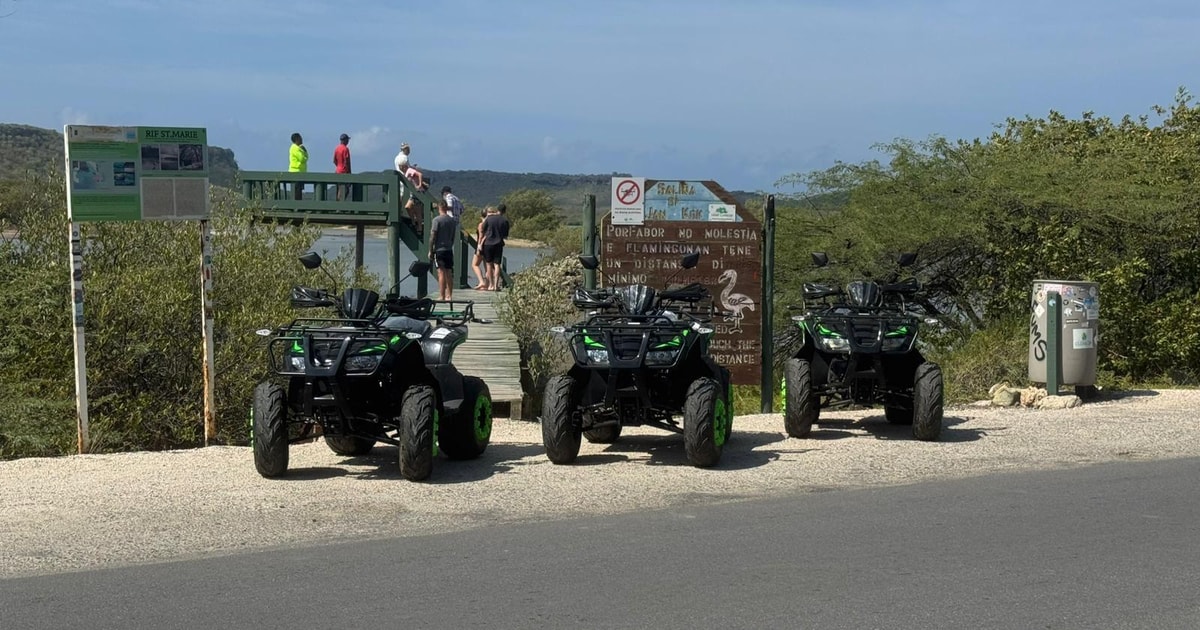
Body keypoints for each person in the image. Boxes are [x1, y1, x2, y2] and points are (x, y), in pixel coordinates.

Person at [428, 201, 457, 301]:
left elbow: (433, 236)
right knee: (449, 272)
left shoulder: (436, 220)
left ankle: (442, 295)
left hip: (439, 249)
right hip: (448, 249)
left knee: (440, 273)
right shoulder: (452, 221)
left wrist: (430, 250)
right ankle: (450, 295)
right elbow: (453, 236)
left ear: (439, 208)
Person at [481, 203, 509, 292]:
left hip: (488, 243)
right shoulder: (505, 221)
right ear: (504, 211)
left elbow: (483, 229)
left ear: (497, 209)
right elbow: (505, 235)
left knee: (489, 264)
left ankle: (491, 285)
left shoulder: (489, 219)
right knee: (497, 264)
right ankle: (496, 286)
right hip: (498, 244)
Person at [471, 207, 492, 290]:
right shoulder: (490, 224)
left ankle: (481, 281)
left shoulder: (481, 224)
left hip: (481, 246)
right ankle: (487, 284)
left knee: (474, 264)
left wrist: (478, 247)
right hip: (488, 246)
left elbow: (481, 236)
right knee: (487, 266)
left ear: (481, 216)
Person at [288, 132, 308, 200]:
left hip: (300, 172)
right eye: (300, 138)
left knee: (299, 190)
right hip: (295, 172)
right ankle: (296, 206)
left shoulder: (299, 148)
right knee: (296, 190)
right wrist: (304, 154)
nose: (302, 139)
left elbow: (306, 158)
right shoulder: (295, 148)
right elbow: (302, 158)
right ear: (297, 139)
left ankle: (299, 206)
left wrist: (305, 152)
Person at [333, 133, 352, 201]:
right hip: (344, 172)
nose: (348, 141)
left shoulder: (337, 148)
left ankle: (338, 205)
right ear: (345, 140)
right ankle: (339, 206)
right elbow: (347, 162)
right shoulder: (345, 149)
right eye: (347, 140)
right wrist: (349, 172)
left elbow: (334, 160)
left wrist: (338, 166)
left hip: (337, 171)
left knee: (339, 189)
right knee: (345, 190)